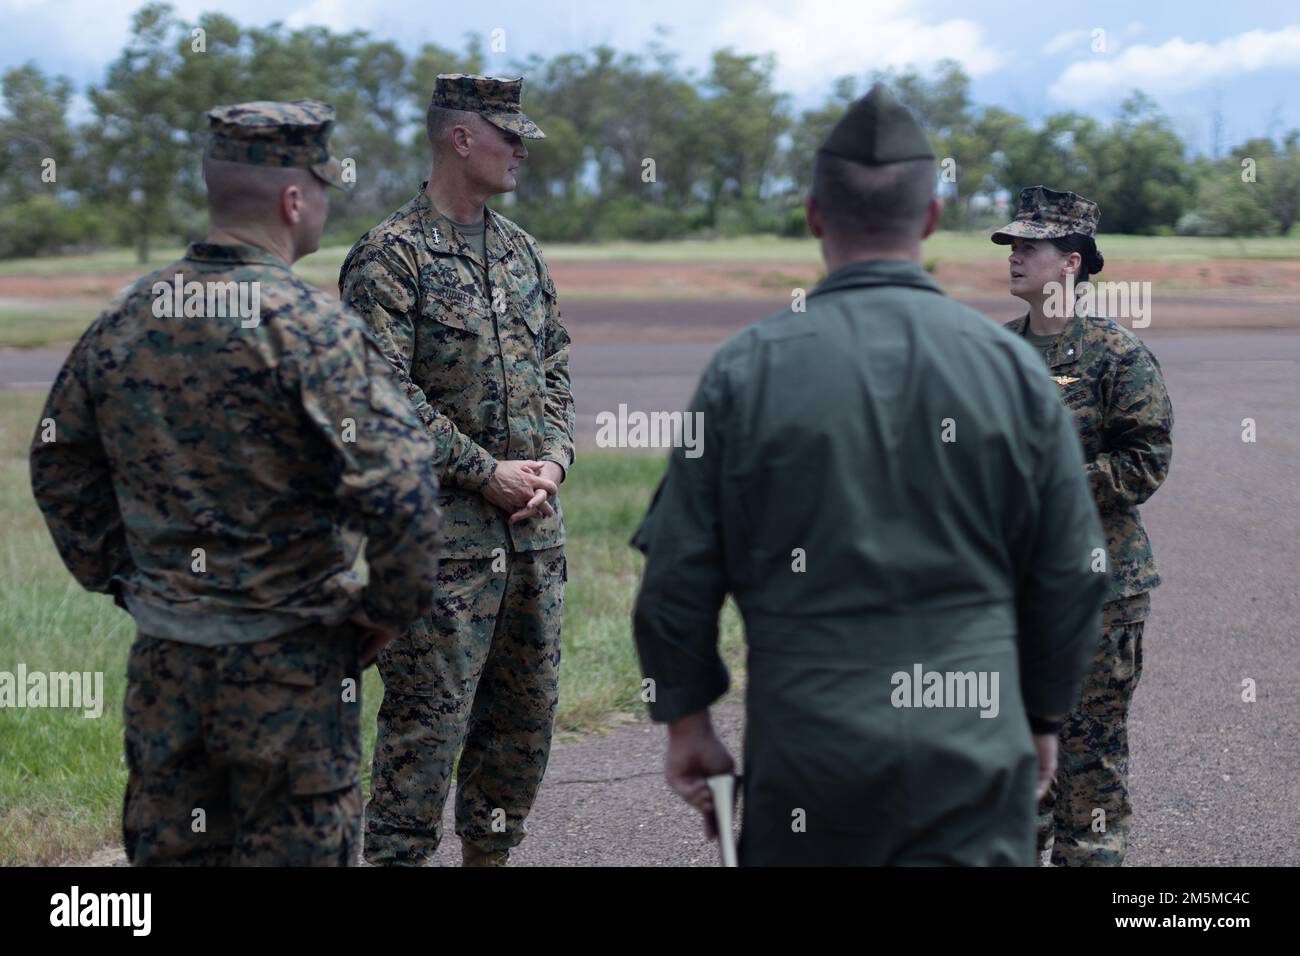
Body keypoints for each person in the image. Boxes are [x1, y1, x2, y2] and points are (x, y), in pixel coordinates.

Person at [630, 84, 1109, 866]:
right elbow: (1073, 571)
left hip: (810, 757)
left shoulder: (747, 369)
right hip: (974, 749)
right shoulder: (1011, 371)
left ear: (815, 216)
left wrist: (687, 723)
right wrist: (1044, 718)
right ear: (928, 220)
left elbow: (677, 576)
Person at [29, 100, 443, 866]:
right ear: (295, 200)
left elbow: (58, 460)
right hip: (292, 670)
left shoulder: (128, 316)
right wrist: (380, 614)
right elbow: (405, 494)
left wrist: (127, 580)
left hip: (168, 668)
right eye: (321, 187)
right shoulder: (313, 329)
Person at [339, 74, 574, 867]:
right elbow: (380, 397)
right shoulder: (388, 257)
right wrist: (485, 473)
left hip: (532, 539)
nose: (521, 148)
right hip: (440, 547)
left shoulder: (520, 251)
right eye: (507, 134)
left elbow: (555, 365)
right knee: (425, 732)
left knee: (521, 727)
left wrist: (555, 462)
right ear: (459, 138)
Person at [994, 186, 1173, 866]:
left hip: (1099, 589)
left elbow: (1145, 461)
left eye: (1028, 246)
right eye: (1011, 245)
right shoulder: (998, 354)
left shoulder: (1115, 356)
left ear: (1070, 262)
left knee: (1087, 757)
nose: (1014, 257)